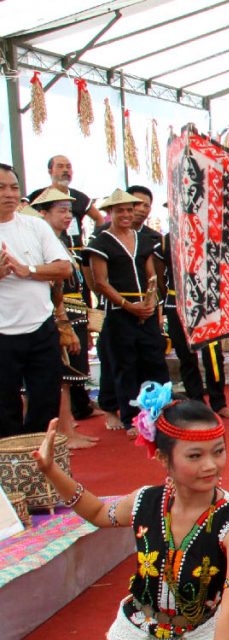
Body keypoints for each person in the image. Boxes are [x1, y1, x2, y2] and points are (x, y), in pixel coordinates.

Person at [30, 397, 229, 640]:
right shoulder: (145, 502)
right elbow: (96, 513)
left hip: (200, 634)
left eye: (218, 451)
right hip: (141, 629)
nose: (211, 465)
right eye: (195, 456)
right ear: (164, 458)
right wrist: (50, 470)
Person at [134, 186, 229, 420]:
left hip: (208, 303)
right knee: (186, 355)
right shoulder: (163, 242)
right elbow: (159, 277)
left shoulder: (211, 236)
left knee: (213, 355)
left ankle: (219, 402)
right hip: (177, 303)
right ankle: (197, 402)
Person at [84, 189, 170, 431]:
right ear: (110, 213)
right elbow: (100, 282)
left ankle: (160, 412)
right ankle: (130, 418)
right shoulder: (100, 242)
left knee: (155, 361)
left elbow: (152, 274)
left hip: (146, 310)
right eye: (120, 210)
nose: (126, 214)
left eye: (129, 210)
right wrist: (128, 306)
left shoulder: (144, 240)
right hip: (119, 312)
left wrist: (150, 303)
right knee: (125, 366)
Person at [0, 164, 74, 437]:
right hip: (3, 334)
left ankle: (41, 463)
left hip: (41, 328)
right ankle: (10, 469)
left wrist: (28, 270)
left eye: (13, 187)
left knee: (45, 401)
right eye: (1, 188)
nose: (9, 194)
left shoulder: (35, 226)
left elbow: (64, 268)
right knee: (4, 407)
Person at [32, 187, 97, 446]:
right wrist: (62, 323)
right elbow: (54, 286)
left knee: (70, 376)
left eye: (70, 211)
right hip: (59, 314)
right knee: (61, 377)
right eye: (61, 211)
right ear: (43, 214)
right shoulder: (41, 242)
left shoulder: (63, 242)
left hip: (73, 310)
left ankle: (68, 428)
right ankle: (62, 433)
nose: (68, 216)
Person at [26, 154, 104, 250]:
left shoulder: (79, 197)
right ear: (50, 171)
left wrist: (92, 243)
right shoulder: (38, 196)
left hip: (77, 254)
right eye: (60, 166)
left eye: (68, 166)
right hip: (48, 251)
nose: (65, 170)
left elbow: (99, 219)